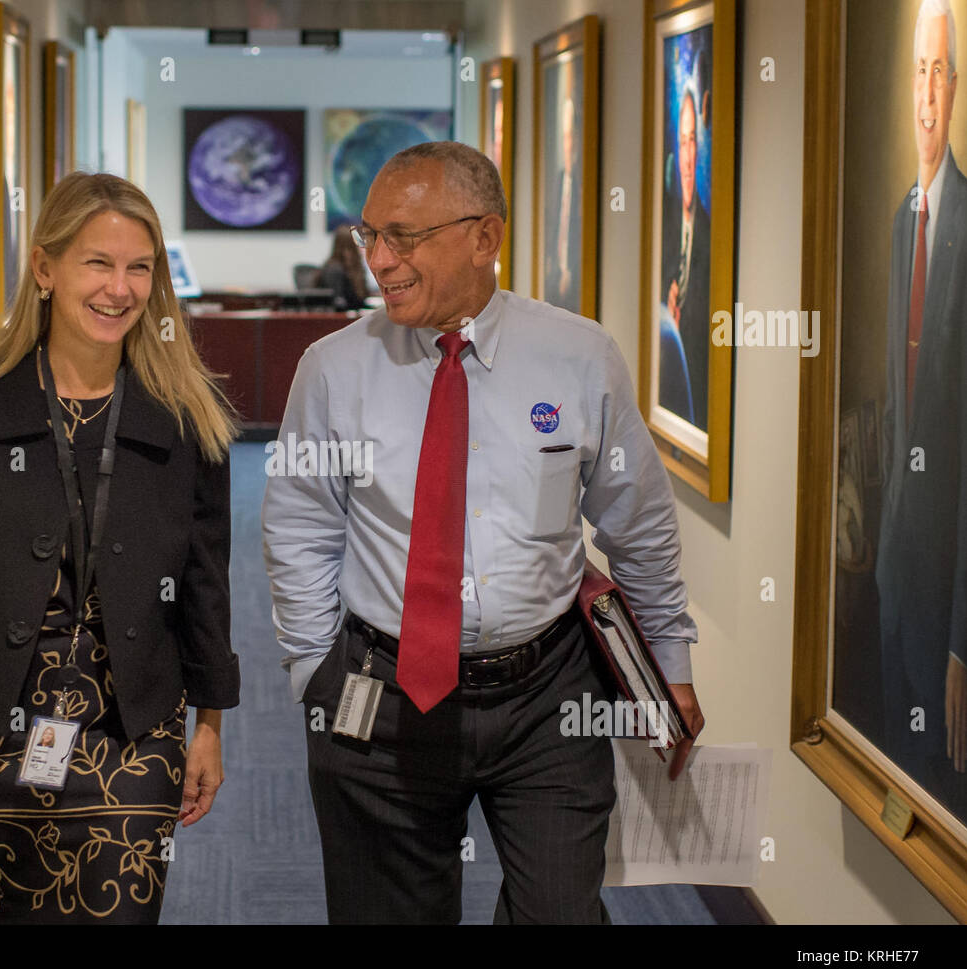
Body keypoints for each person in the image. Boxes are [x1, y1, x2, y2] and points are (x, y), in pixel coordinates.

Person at [261, 141, 702, 924]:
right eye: (370, 236)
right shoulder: (331, 369)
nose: (379, 261)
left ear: (484, 237)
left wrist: (669, 659)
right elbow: (300, 523)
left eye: (403, 236)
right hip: (381, 695)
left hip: (546, 696)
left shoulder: (578, 357)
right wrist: (312, 672)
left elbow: (637, 522)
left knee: (561, 912)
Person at [0, 172, 241, 923]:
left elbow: (207, 582)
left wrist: (209, 726)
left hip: (130, 732)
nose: (121, 288)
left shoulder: (185, 413)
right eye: (97, 264)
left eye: (140, 267)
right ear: (45, 269)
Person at [876, 0, 967, 815]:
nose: (928, 91)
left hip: (950, 609)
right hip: (892, 588)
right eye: (918, 70)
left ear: (958, 86)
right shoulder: (901, 222)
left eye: (942, 69)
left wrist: (963, 643)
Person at [658, 77, 711, 431]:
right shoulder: (666, 221)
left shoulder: (709, 233)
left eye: (694, 141)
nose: (688, 157)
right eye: (682, 141)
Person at [544, 89, 581, 312]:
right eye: (564, 137)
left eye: (571, 136)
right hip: (555, 279)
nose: (568, 145)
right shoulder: (558, 181)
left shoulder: (581, 184)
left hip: (574, 283)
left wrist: (570, 270)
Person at [318, 228, 368, 311]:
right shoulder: (334, 269)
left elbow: (361, 299)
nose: (361, 247)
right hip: (339, 320)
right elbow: (338, 303)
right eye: (359, 243)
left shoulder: (355, 268)